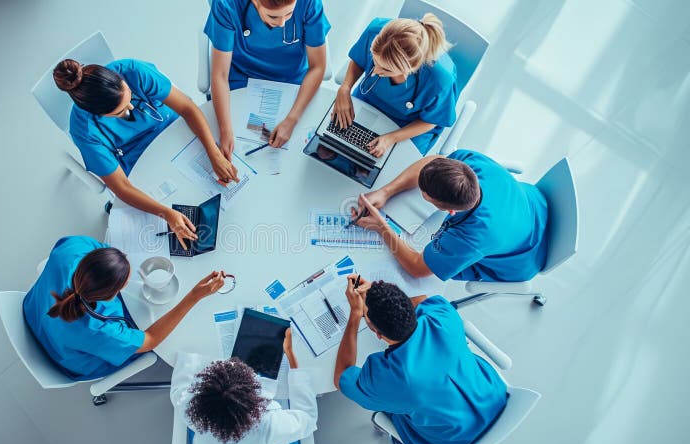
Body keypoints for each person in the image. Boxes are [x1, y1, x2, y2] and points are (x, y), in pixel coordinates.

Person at [54, 58, 239, 250]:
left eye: (130, 96)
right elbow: (122, 187)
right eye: (120, 112)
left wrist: (213, 152)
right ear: (98, 114)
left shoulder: (134, 71)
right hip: (141, 162)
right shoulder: (84, 129)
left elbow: (186, 107)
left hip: (176, 132)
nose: (132, 108)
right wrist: (165, 213)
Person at [334, 276, 508, 444]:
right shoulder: (443, 316)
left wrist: (355, 314)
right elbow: (421, 300)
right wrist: (379, 293)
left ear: (377, 333)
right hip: (494, 399)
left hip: (451, 442)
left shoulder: (391, 378)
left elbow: (342, 375)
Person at [23, 235, 225, 379]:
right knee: (161, 340)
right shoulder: (102, 329)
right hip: (65, 359)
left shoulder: (73, 249)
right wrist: (194, 296)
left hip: (34, 311)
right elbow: (150, 340)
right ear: (110, 296)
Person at [352, 150, 549, 282]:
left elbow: (417, 268)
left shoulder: (470, 238)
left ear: (450, 212)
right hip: (536, 205)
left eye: (425, 195)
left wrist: (380, 226)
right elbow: (431, 162)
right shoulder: (472, 164)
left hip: (526, 255)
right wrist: (386, 192)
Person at [204, 0, 331, 152]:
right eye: (273, 17)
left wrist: (292, 120)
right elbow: (220, 74)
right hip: (243, 80)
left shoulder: (309, 3)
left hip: (293, 81)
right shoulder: (226, 4)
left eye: (289, 13)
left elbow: (317, 67)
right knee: (239, 145)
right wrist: (225, 131)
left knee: (297, 149)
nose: (283, 24)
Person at [170, 329, 317, 444]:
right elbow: (308, 420)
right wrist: (291, 354)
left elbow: (180, 385)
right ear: (254, 399)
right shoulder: (268, 426)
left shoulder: (192, 410)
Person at [332, 15, 457, 156]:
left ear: (412, 68)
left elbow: (431, 121)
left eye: (386, 69)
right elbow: (358, 60)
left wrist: (391, 138)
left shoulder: (440, 79)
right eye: (374, 60)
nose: (375, 72)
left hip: (412, 123)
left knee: (382, 171)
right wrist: (345, 88)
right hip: (370, 96)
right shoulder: (376, 31)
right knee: (332, 146)